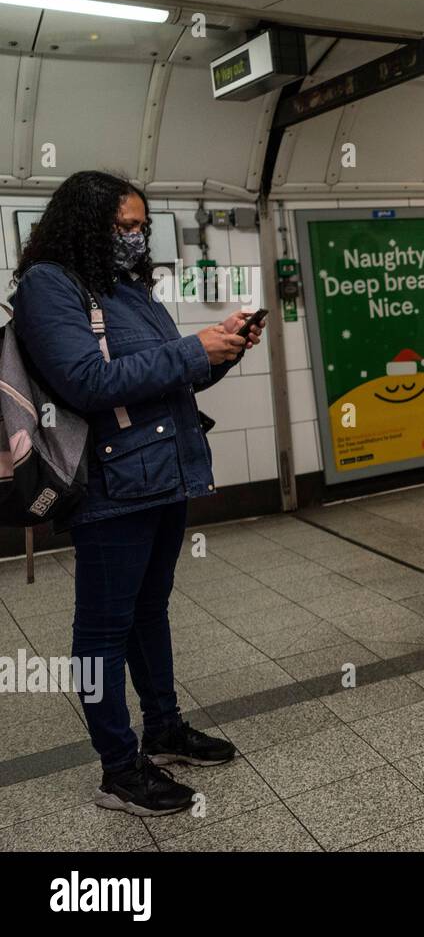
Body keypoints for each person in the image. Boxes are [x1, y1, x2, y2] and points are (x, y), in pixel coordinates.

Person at [10, 170, 265, 816]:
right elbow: (87, 382)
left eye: (140, 226)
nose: (135, 236)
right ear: (85, 224)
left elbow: (164, 383)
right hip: (107, 486)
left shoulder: (127, 290)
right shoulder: (49, 286)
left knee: (150, 611)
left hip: (162, 475)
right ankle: (119, 771)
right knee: (103, 627)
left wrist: (221, 351)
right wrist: (190, 349)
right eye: (124, 226)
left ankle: (165, 728)